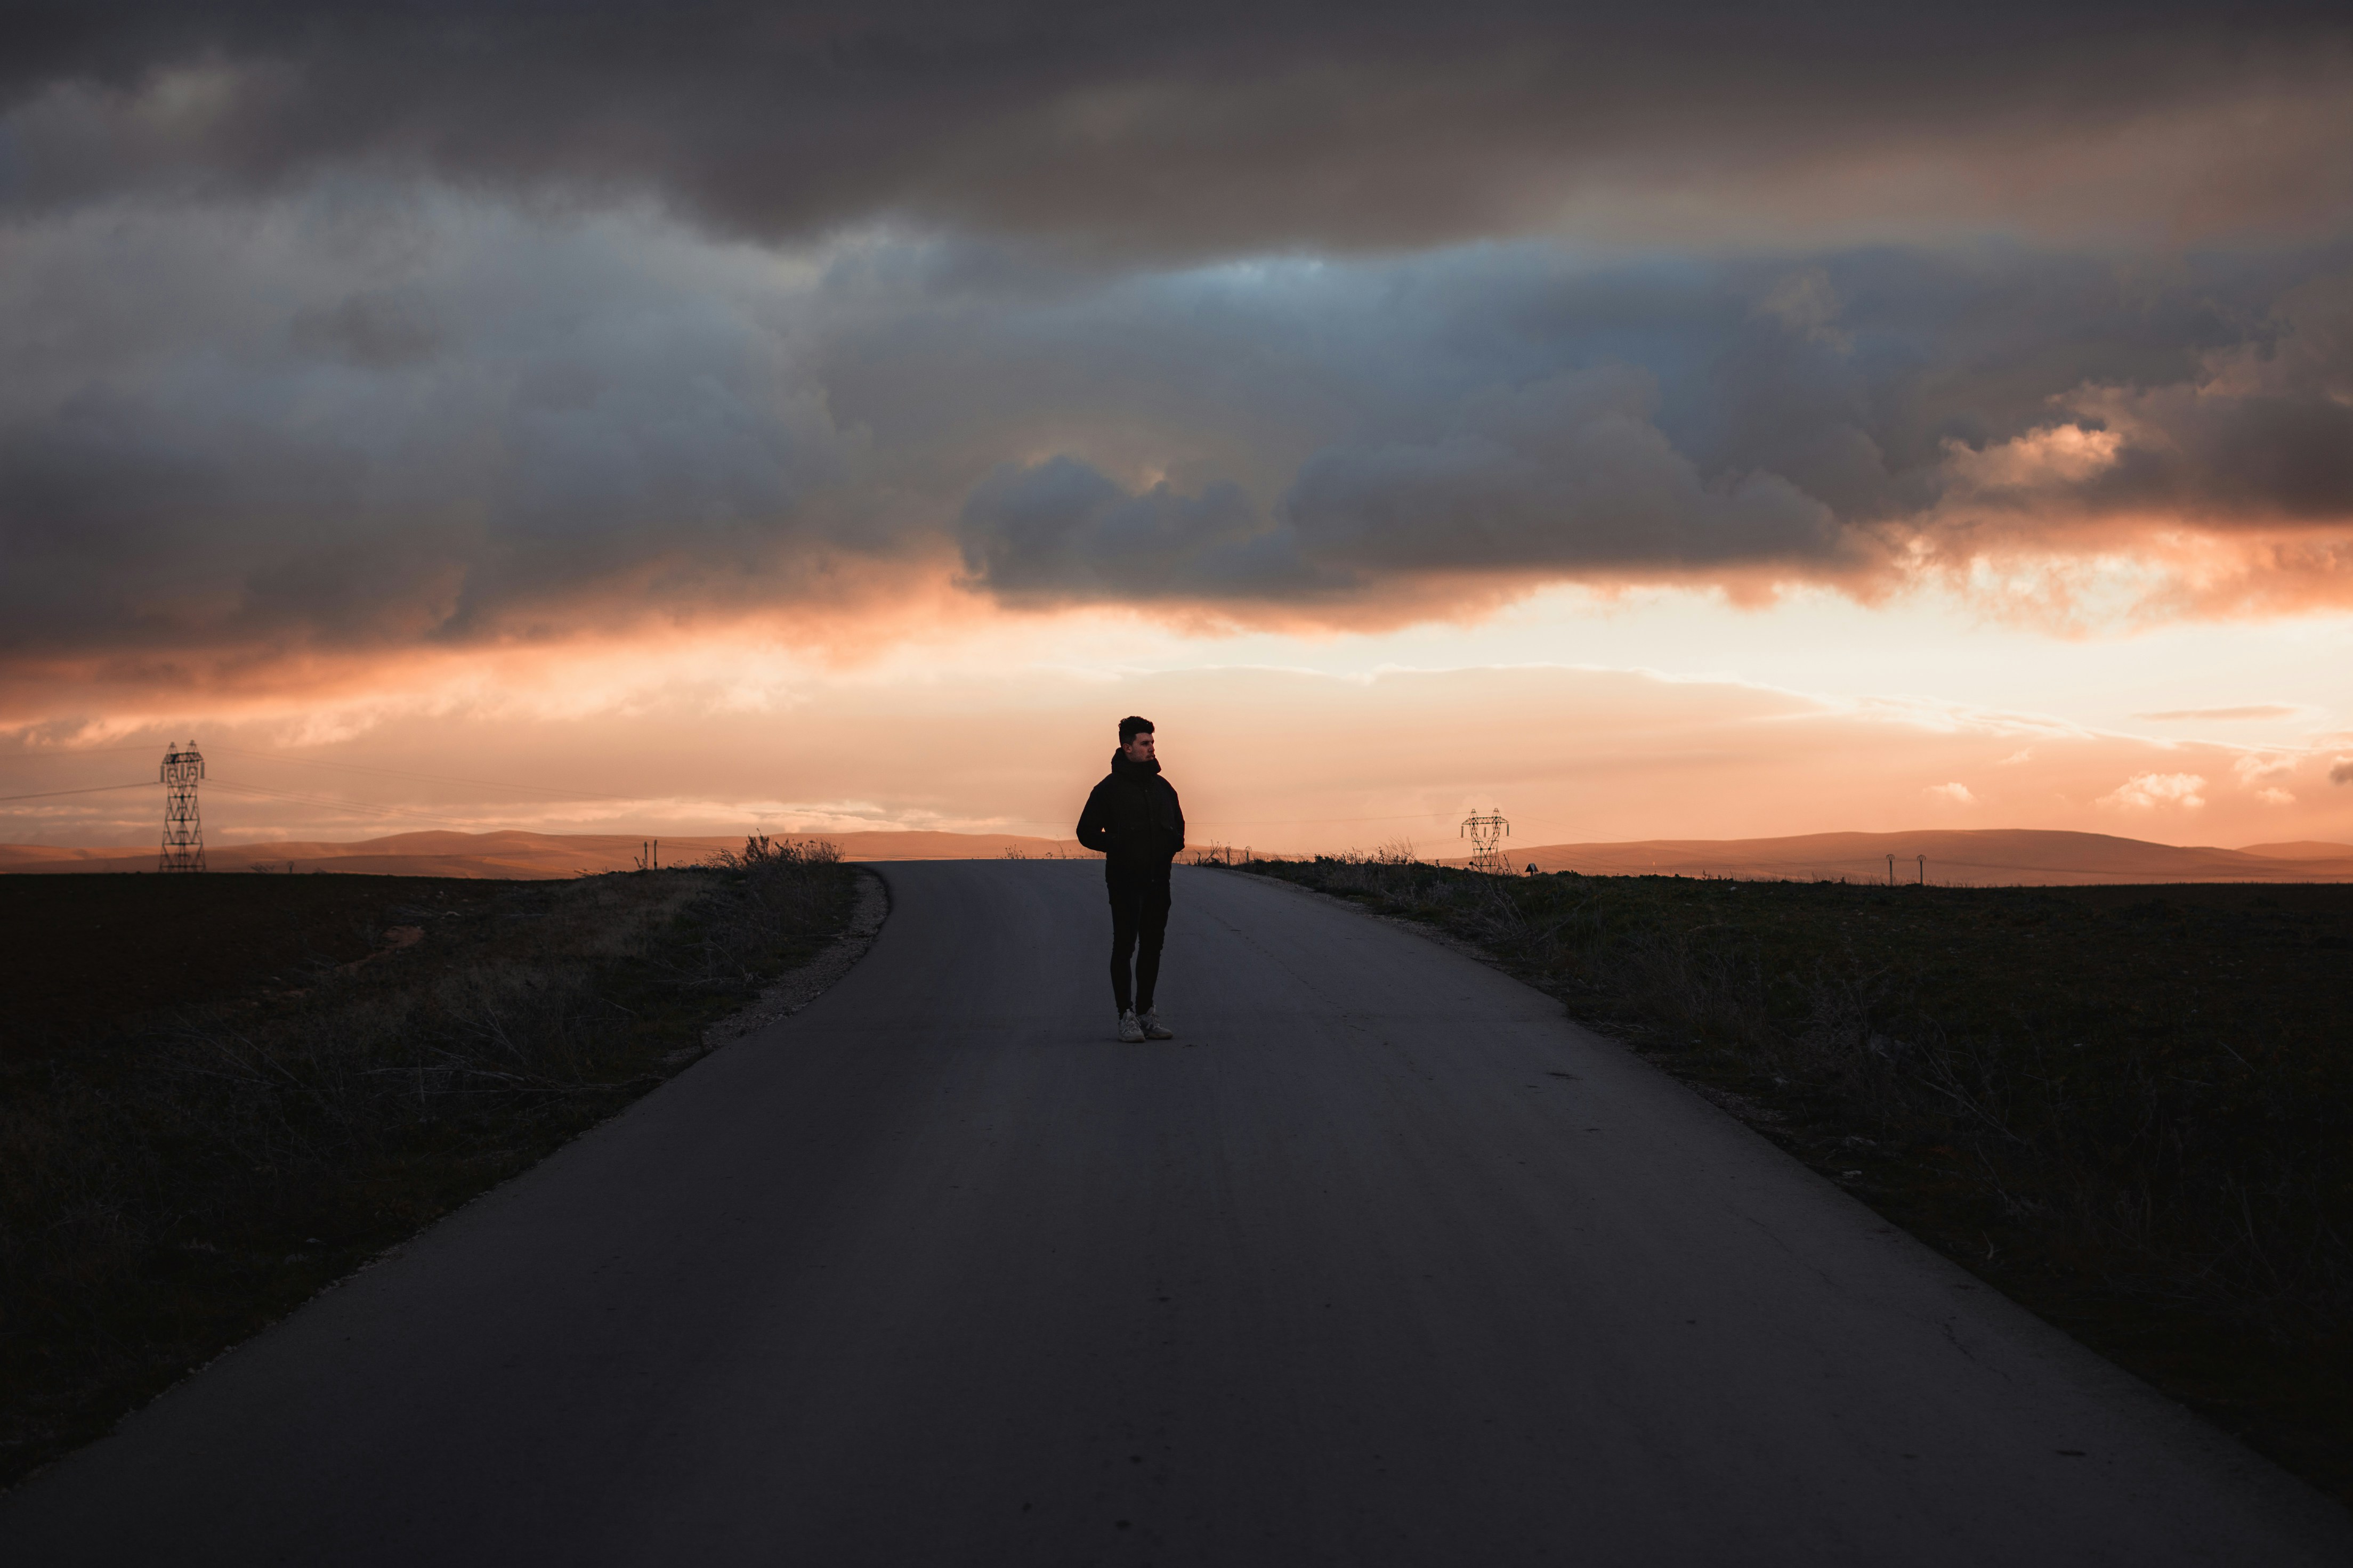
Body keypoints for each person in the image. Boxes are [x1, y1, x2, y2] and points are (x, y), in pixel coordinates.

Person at [1076, 716, 1184, 1042]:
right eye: (1145, 743)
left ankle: (1146, 1013)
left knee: (1153, 946)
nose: (1152, 749)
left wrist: (1169, 847)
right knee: (1125, 946)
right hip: (1124, 881)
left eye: (1153, 743)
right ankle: (1126, 1016)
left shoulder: (1164, 788)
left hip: (1158, 881)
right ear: (1127, 747)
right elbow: (1085, 832)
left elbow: (1178, 827)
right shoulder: (1107, 790)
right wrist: (1118, 845)